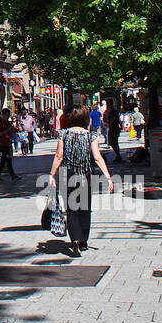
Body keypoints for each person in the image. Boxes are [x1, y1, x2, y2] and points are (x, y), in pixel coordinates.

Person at [49, 107, 115, 257]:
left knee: (71, 210)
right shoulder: (91, 136)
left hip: (67, 174)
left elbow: (59, 156)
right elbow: (97, 157)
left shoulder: (63, 134)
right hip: (84, 174)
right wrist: (108, 177)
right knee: (84, 209)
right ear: (87, 119)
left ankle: (74, 240)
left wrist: (52, 175)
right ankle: (84, 241)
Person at [0, 110, 18, 180]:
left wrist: (14, 130)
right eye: (7, 115)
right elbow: (0, 134)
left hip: (8, 143)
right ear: (3, 115)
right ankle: (12, 176)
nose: (8, 117)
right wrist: (8, 130)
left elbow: (11, 131)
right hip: (2, 144)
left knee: (4, 160)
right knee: (7, 159)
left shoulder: (7, 122)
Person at [105, 98, 121, 164]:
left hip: (114, 128)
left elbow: (113, 120)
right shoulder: (111, 110)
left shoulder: (113, 111)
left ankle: (118, 155)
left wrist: (110, 127)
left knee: (114, 142)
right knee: (113, 142)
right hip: (113, 128)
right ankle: (118, 155)